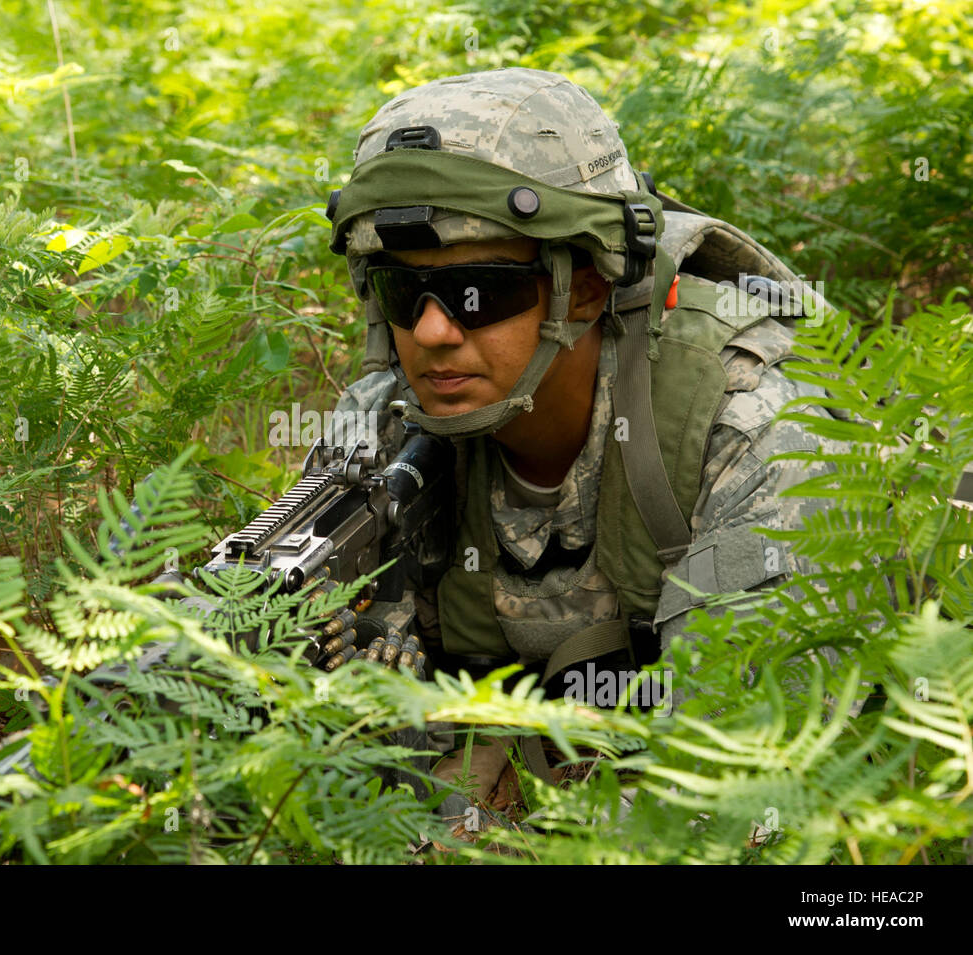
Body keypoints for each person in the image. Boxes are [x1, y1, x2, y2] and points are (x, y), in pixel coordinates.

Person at [319, 68, 845, 814]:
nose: (434, 331)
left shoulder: (746, 418)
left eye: (478, 292)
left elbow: (741, 789)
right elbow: (346, 763)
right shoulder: (379, 440)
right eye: (404, 292)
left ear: (588, 287)